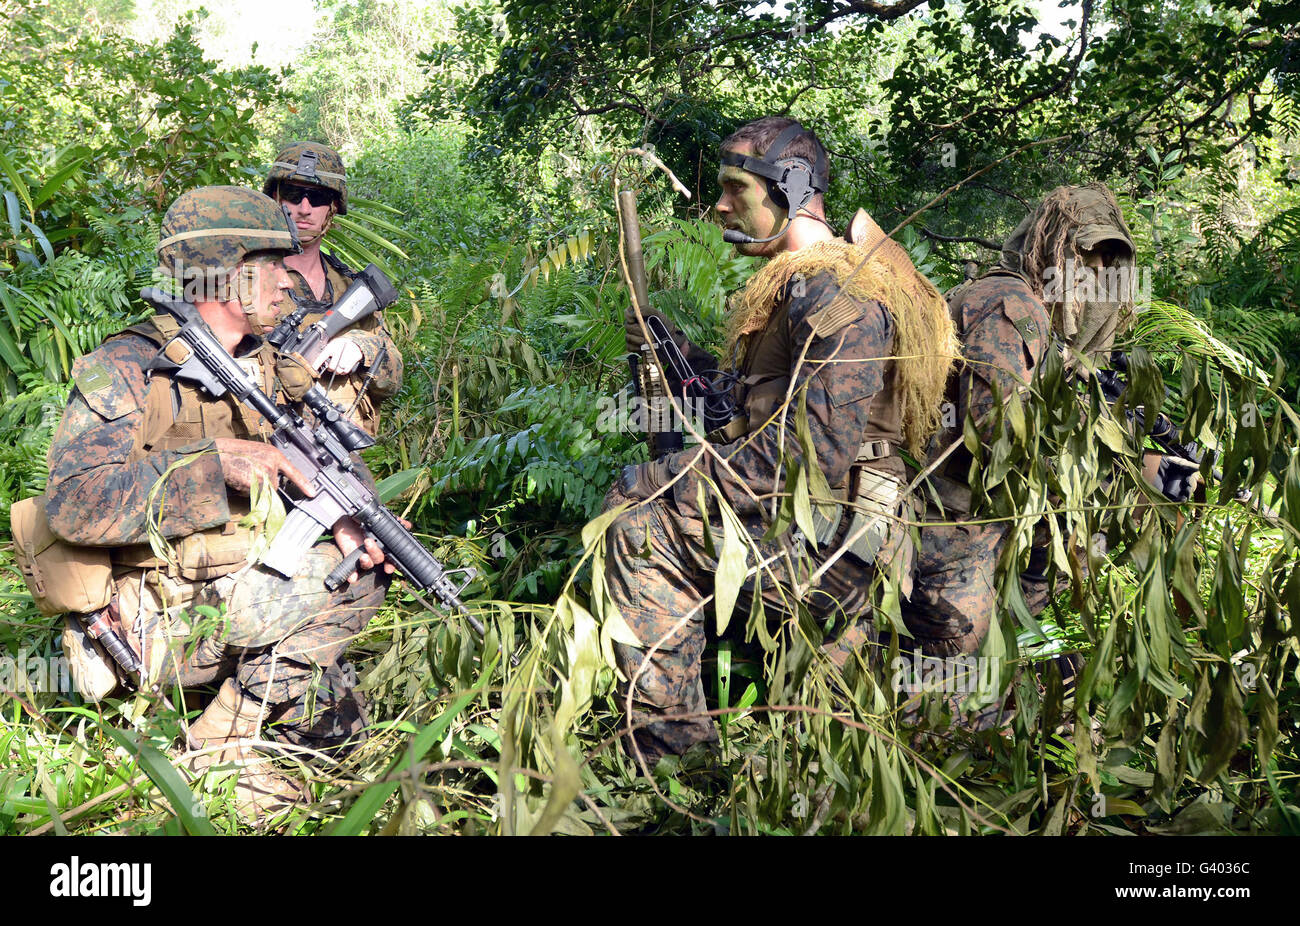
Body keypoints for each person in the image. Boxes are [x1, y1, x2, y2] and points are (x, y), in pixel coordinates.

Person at [603, 117, 959, 768]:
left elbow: (810, 457)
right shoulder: (810, 279)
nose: (720, 206)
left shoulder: (830, 285)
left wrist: (668, 479)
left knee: (636, 514)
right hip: (842, 530)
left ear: (790, 186)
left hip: (836, 541)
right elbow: (763, 407)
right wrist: (674, 355)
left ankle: (668, 761)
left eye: (736, 189)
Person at [45, 186, 394, 818]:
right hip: (145, 615)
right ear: (233, 276)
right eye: (277, 267)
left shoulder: (269, 366)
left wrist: (346, 524)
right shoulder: (128, 365)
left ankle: (237, 716)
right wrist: (215, 465)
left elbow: (315, 463)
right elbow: (72, 502)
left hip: (231, 583)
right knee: (351, 594)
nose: (292, 282)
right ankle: (211, 749)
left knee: (338, 722)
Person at [901, 182, 1150, 658]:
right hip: (951, 526)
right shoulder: (1010, 305)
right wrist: (1109, 457)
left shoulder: (1041, 322)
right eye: (1086, 252)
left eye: (1108, 260)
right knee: (949, 676)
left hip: (982, 519)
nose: (1096, 270)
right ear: (1052, 244)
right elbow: (996, 430)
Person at [263, 141, 403, 435]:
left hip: (341, 453)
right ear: (275, 197)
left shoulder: (352, 289)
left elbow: (393, 375)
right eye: (292, 194)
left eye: (317, 198)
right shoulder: (247, 280)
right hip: (270, 445)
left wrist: (360, 347)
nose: (304, 208)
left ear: (333, 207)